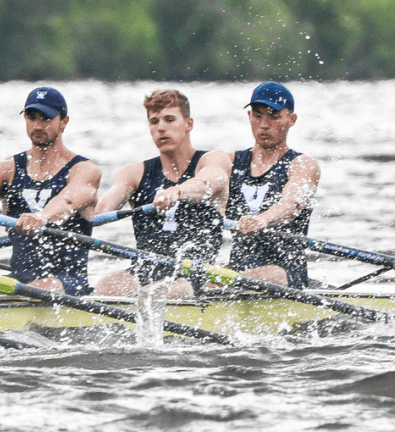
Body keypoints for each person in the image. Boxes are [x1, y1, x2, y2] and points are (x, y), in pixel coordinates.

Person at [92, 89, 231, 298]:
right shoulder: (133, 174)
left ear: (188, 124)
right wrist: (47, 218)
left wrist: (178, 190)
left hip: (194, 275)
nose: (161, 128)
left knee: (164, 291)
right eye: (154, 122)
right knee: (107, 286)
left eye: (169, 119)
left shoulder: (212, 160)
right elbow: (100, 211)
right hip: (145, 270)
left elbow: (210, 182)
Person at [0, 87, 101, 295]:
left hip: (68, 283)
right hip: (19, 280)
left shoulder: (84, 170)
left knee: (43, 287)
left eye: (46, 118)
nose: (37, 125)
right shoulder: (4, 169)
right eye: (31, 117)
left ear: (64, 121)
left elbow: (68, 202)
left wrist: (42, 217)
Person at [224, 82, 320, 288]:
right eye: (258, 115)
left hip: (285, 276)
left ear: (291, 119)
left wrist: (262, 220)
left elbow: (293, 203)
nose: (264, 124)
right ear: (249, 117)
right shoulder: (230, 162)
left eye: (274, 116)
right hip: (237, 273)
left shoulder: (303, 165)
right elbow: (204, 181)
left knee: (272, 273)